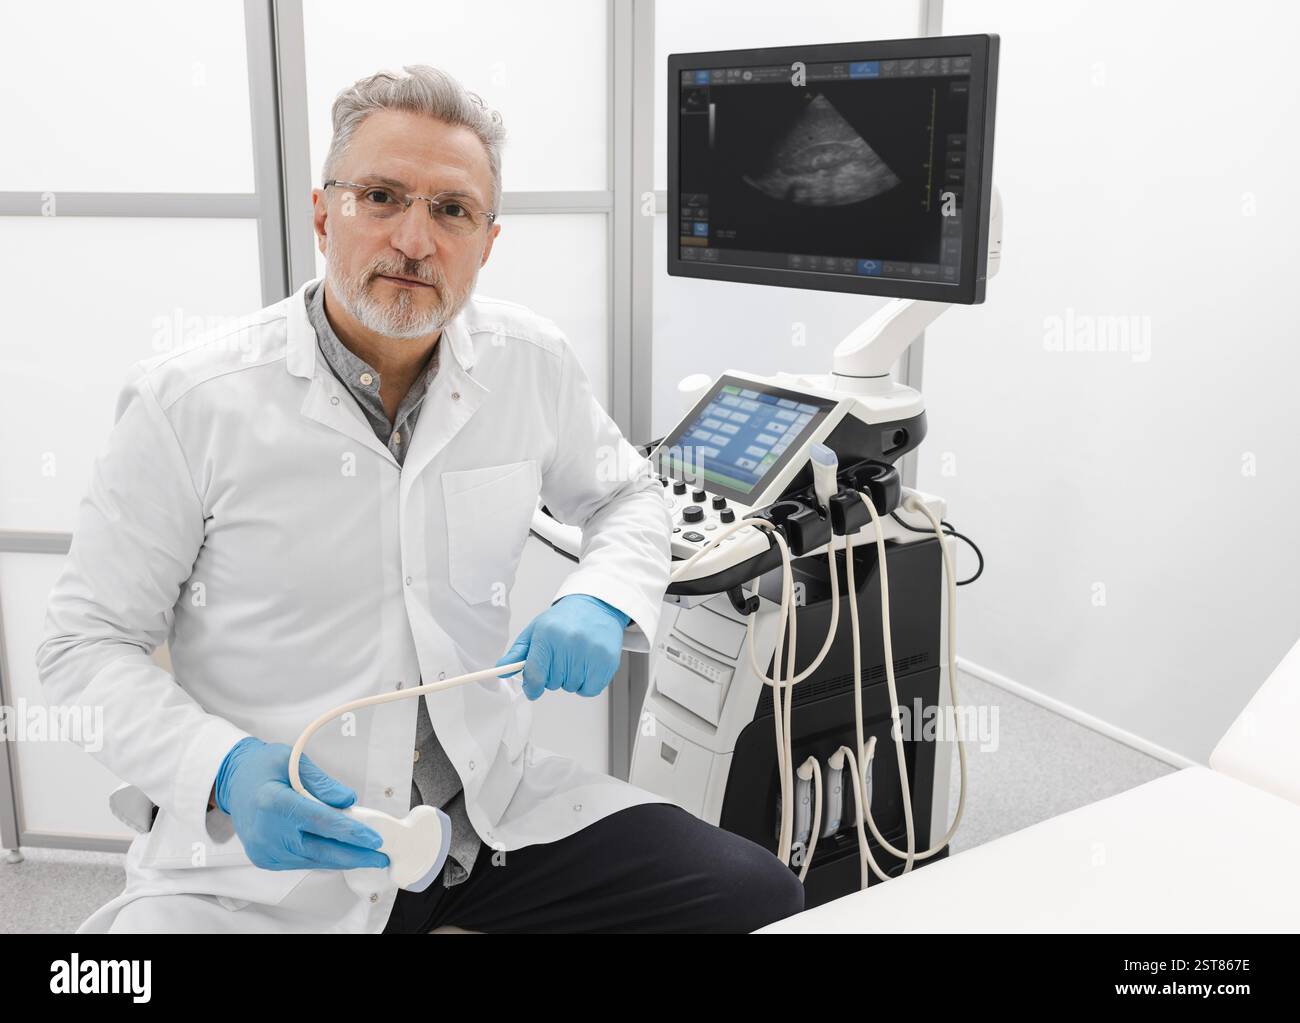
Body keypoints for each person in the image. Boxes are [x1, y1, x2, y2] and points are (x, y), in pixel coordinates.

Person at [37, 65, 804, 933]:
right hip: (269, 861)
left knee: (754, 897)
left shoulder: (528, 361)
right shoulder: (189, 400)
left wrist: (600, 595)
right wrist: (225, 767)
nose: (413, 238)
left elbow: (630, 495)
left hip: (485, 824)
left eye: (451, 210)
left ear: (487, 241)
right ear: (326, 215)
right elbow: (82, 645)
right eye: (381, 196)